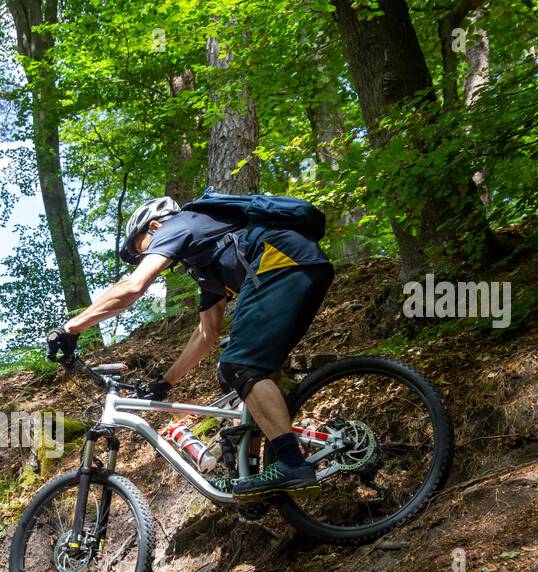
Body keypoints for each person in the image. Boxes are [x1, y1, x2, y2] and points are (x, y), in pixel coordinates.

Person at [46, 194, 334, 496]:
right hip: (301, 267)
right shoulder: (206, 257)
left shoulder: (180, 226)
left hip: (280, 262)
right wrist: (166, 382)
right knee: (233, 371)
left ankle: (292, 464)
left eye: (138, 247)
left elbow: (133, 287)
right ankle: (257, 470)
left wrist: (70, 328)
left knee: (241, 364)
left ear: (154, 227)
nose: (141, 255)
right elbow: (207, 332)